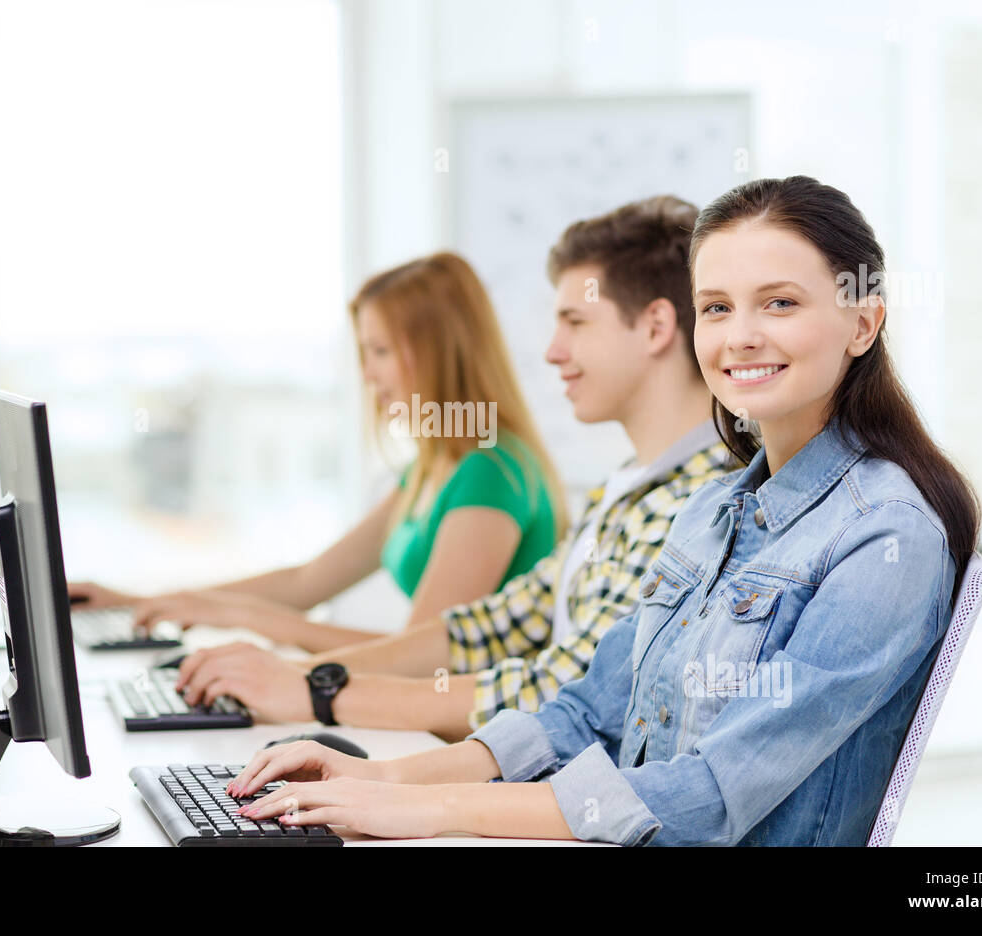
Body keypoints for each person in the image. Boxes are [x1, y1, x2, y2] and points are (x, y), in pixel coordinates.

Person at [220, 176, 982, 846]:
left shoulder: (886, 535)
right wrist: (387, 781)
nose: (740, 335)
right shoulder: (717, 510)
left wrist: (433, 808)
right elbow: (584, 710)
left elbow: (710, 794)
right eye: (716, 307)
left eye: (779, 303)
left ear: (862, 323)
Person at [171, 195, 732, 741]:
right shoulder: (626, 489)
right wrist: (299, 678)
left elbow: (570, 692)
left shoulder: (701, 504)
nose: (552, 351)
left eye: (575, 322)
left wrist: (319, 691)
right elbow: (485, 628)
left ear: (656, 328)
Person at [69, 252, 565, 653]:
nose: (368, 374)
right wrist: (139, 602)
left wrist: (252, 622)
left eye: (381, 351)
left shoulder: (492, 470)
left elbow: (419, 656)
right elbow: (306, 582)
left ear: (438, 351)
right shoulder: (432, 468)